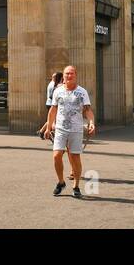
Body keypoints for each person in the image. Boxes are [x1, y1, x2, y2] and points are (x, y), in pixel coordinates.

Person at [44, 64, 95, 198]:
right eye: (66, 73)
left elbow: (88, 110)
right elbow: (53, 110)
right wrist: (48, 127)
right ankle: (61, 182)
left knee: (74, 157)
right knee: (56, 156)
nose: (69, 76)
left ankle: (76, 186)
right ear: (64, 76)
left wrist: (91, 122)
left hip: (76, 129)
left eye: (71, 73)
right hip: (60, 128)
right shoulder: (58, 91)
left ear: (76, 75)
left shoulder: (82, 92)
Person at [39, 71, 64, 137]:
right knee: (53, 120)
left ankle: (41, 131)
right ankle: (53, 133)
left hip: (49, 103)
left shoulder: (51, 84)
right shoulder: (56, 85)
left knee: (50, 119)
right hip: (53, 104)